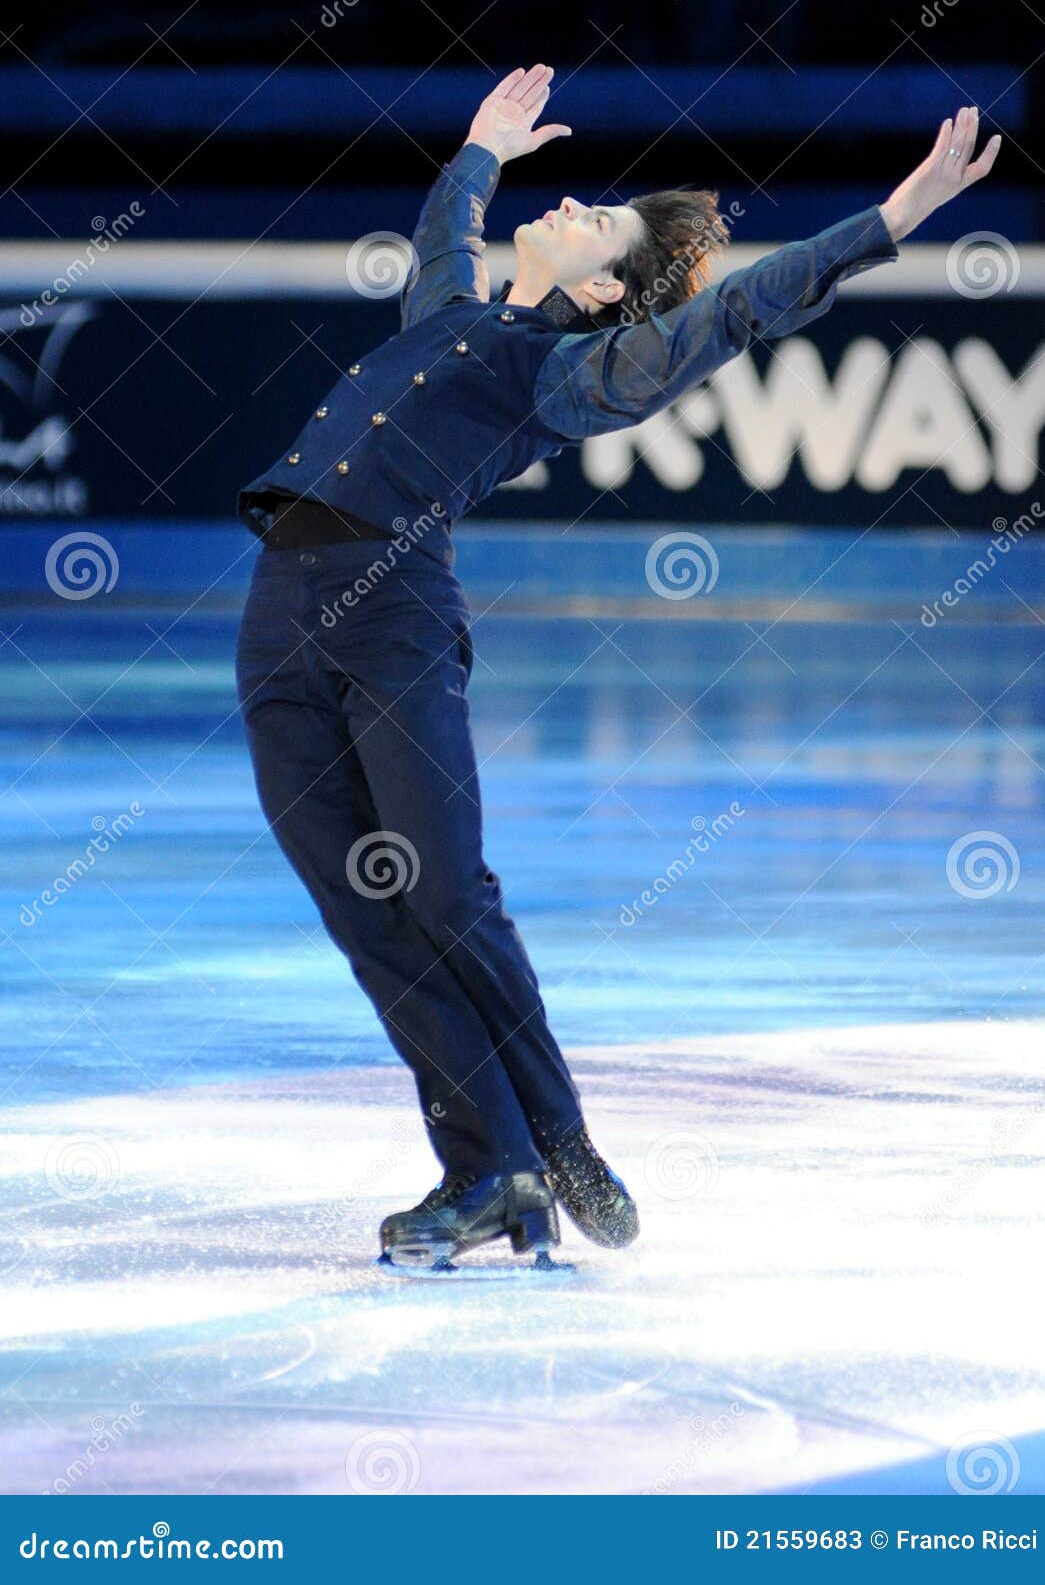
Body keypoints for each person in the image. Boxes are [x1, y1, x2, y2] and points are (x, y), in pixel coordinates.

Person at [235, 66, 1000, 1269]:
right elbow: (444, 237)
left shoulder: (562, 376)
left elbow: (727, 315)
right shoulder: (448, 313)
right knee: (365, 914)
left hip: (393, 614)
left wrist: (890, 221)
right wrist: (481, 150)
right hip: (276, 610)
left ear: (597, 289)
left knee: (445, 895)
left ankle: (553, 1137)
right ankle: (492, 1170)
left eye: (593, 220)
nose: (571, 204)